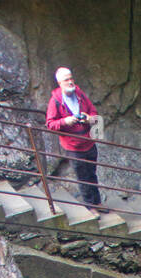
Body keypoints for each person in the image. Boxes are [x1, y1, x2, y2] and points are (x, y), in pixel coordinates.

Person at [46, 67, 102, 209]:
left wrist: (89, 118)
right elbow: (50, 123)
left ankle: (98, 202)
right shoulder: (55, 101)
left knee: (92, 174)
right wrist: (66, 121)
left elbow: (93, 111)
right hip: (74, 147)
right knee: (83, 177)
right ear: (59, 82)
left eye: (71, 78)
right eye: (66, 80)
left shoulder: (79, 94)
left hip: (88, 143)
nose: (70, 82)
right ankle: (91, 207)